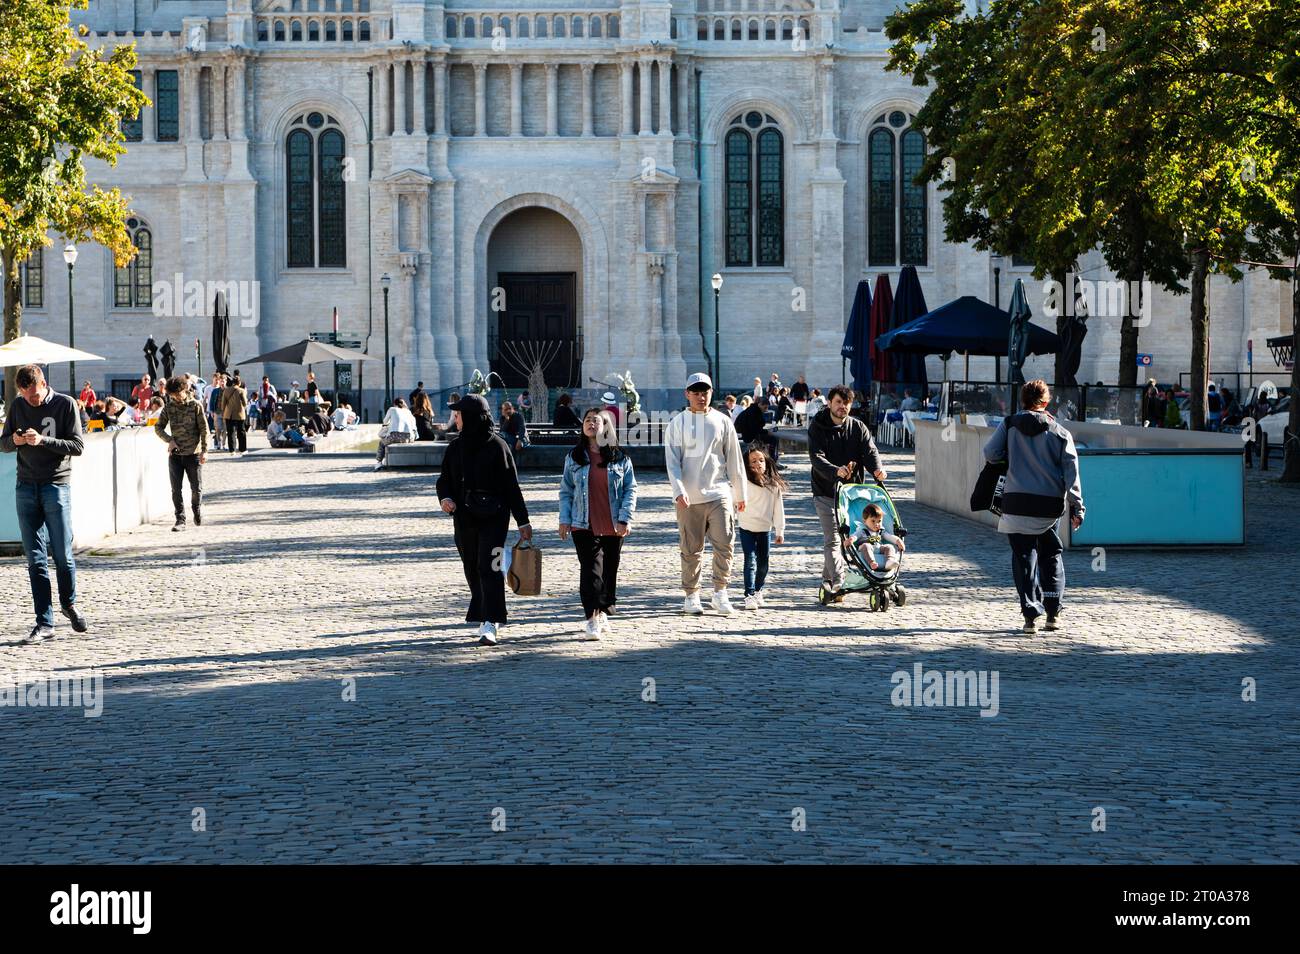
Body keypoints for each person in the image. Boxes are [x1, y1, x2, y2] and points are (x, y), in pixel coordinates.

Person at [982, 379, 1085, 635]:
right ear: (1046, 401)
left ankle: (1030, 616)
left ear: (1022, 401)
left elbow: (990, 453)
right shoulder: (1061, 432)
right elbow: (1072, 472)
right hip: (1049, 505)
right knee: (1050, 555)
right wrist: (1077, 506)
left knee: (1024, 558)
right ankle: (1053, 613)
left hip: (1016, 503)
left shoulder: (1008, 425)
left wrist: (1011, 457)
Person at [436, 394, 532, 646]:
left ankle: (491, 621)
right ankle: (483, 611)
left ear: (471, 417)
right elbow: (443, 479)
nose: (455, 419)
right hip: (464, 516)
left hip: (495, 516)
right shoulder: (455, 447)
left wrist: (523, 522)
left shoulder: (498, 446)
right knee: (471, 566)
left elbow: (512, 487)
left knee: (488, 566)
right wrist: (445, 498)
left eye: (458, 415)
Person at [0, 364, 87, 642]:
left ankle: (69, 603)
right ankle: (44, 622)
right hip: (25, 486)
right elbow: (2, 443)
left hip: (55, 485)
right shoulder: (17, 406)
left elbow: (77, 446)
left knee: (62, 554)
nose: (32, 401)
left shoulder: (65, 404)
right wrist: (13, 440)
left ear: (44, 383)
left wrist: (43, 440)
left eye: (35, 396)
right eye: (27, 397)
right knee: (35, 559)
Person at [665, 372, 747, 616]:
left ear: (712, 393)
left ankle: (720, 592)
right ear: (687, 394)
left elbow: (734, 458)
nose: (701, 397)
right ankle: (691, 595)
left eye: (705, 392)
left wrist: (740, 493)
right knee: (691, 548)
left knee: (725, 543)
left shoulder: (723, 421)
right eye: (696, 392)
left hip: (719, 491)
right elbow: (672, 461)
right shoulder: (677, 423)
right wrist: (678, 490)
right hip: (688, 497)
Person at [558, 408, 637, 640]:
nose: (591, 423)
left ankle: (603, 610)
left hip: (613, 524)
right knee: (591, 571)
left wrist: (625, 518)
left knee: (609, 570)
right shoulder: (574, 457)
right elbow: (566, 491)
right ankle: (591, 617)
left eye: (597, 420)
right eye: (587, 420)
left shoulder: (620, 458)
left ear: (606, 427)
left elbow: (630, 489)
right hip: (583, 524)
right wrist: (564, 519)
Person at [808, 386, 885, 603]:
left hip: (852, 493)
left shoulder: (857, 427)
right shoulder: (817, 426)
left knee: (847, 538)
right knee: (833, 539)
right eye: (839, 402)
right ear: (830, 403)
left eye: (847, 403)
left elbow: (870, 452)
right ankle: (839, 581)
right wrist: (835, 471)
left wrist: (877, 469)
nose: (843, 407)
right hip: (825, 491)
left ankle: (828, 580)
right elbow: (816, 457)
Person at [154, 376, 209, 531]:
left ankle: (196, 509)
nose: (176, 398)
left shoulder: (195, 405)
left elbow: (204, 429)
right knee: (176, 489)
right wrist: (169, 440)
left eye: (178, 394)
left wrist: (205, 451)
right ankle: (180, 519)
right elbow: (158, 427)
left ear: (184, 390)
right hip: (176, 456)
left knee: (196, 488)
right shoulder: (169, 407)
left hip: (194, 454)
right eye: (172, 396)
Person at [737, 442, 786, 610]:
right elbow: (732, 501)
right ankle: (749, 594)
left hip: (765, 529)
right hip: (746, 528)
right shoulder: (743, 484)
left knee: (764, 563)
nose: (758, 464)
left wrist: (780, 530)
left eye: (761, 460)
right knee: (750, 561)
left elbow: (778, 510)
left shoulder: (773, 486)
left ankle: (758, 590)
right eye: (753, 461)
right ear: (747, 465)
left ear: (766, 462)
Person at [850, 503, 904, 572]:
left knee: (889, 547)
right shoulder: (862, 530)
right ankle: (872, 562)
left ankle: (889, 562)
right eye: (873, 521)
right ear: (864, 521)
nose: (876, 524)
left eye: (879, 521)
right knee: (866, 546)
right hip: (864, 549)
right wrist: (851, 539)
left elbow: (889, 536)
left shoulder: (881, 531)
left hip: (878, 548)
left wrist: (898, 541)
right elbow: (855, 535)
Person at [735, 394, 779, 463]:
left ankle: (771, 459)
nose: (766, 410)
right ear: (760, 404)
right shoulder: (754, 412)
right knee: (773, 439)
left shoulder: (753, 410)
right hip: (747, 435)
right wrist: (766, 431)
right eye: (765, 408)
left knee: (770, 438)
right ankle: (772, 461)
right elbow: (754, 429)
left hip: (746, 433)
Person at [376, 397, 418, 467]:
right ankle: (386, 460)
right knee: (387, 439)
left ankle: (379, 462)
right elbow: (413, 423)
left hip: (395, 436)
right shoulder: (408, 411)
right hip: (408, 437)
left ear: (394, 404)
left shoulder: (392, 409)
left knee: (382, 442)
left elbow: (385, 421)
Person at [221, 372, 249, 455]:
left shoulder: (226, 391)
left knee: (230, 432)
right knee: (241, 432)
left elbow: (223, 404)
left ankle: (232, 450)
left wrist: (224, 412)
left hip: (229, 414)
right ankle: (242, 449)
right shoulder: (242, 391)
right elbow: (245, 403)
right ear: (239, 383)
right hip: (240, 414)